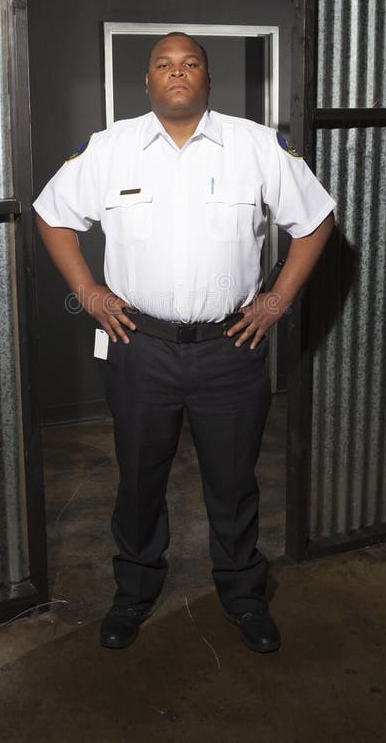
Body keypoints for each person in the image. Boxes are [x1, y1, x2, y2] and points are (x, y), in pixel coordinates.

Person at [34, 32, 335, 654]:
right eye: (164, 65)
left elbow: (316, 220)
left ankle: (244, 595)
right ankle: (134, 592)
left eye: (190, 63)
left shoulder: (255, 146)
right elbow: (51, 213)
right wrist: (88, 290)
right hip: (139, 345)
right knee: (139, 478)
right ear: (146, 82)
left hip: (229, 348)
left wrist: (275, 301)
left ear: (207, 78)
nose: (177, 73)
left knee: (233, 481)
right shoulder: (112, 148)